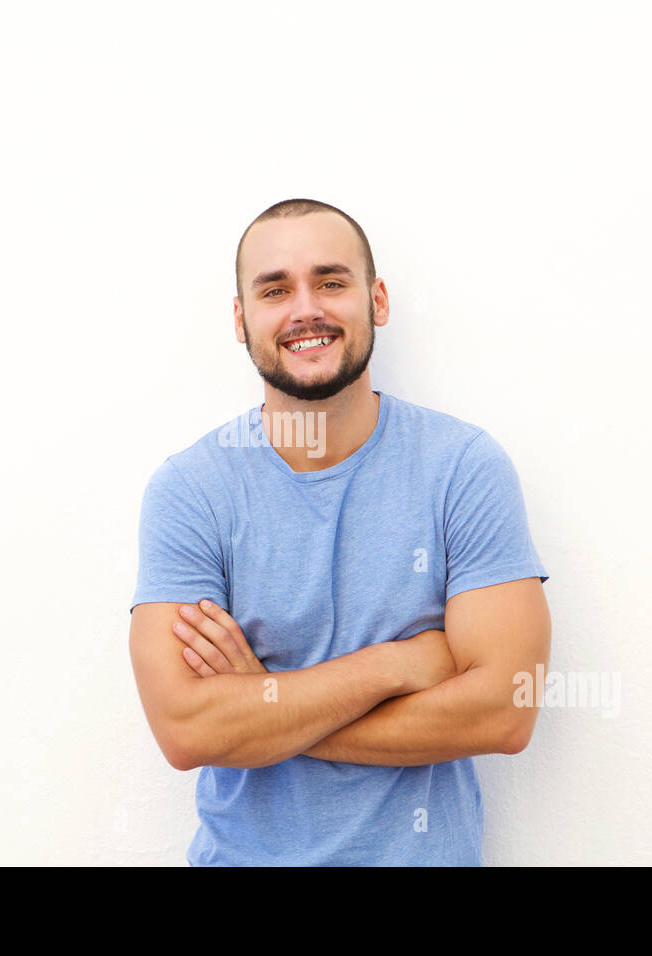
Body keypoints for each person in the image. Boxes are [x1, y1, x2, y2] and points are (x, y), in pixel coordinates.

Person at [128, 198, 552, 865]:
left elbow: (503, 713)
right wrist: (400, 664)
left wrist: (265, 707)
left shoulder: (462, 468)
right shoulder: (192, 491)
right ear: (241, 321)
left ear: (376, 300)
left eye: (331, 281)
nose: (306, 310)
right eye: (275, 290)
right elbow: (185, 731)